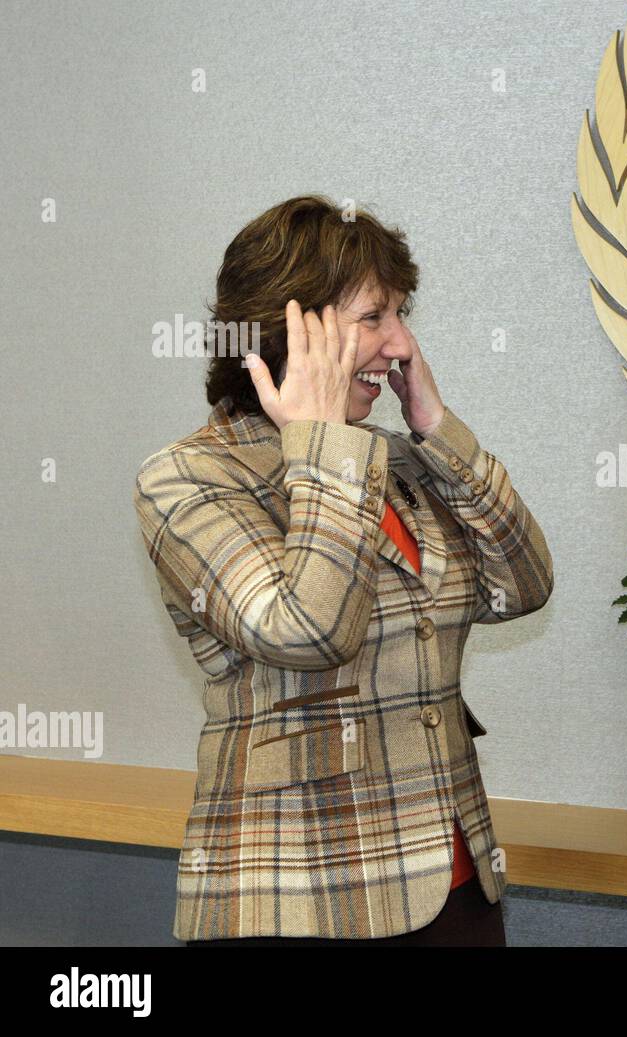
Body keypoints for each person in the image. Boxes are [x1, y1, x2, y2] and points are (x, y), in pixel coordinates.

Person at [134, 196, 553, 944]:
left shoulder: (390, 460)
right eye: (375, 317)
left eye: (402, 314)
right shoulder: (188, 478)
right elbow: (309, 629)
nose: (401, 343)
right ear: (295, 328)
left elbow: (521, 584)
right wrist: (323, 440)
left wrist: (438, 430)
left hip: (456, 890)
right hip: (303, 903)